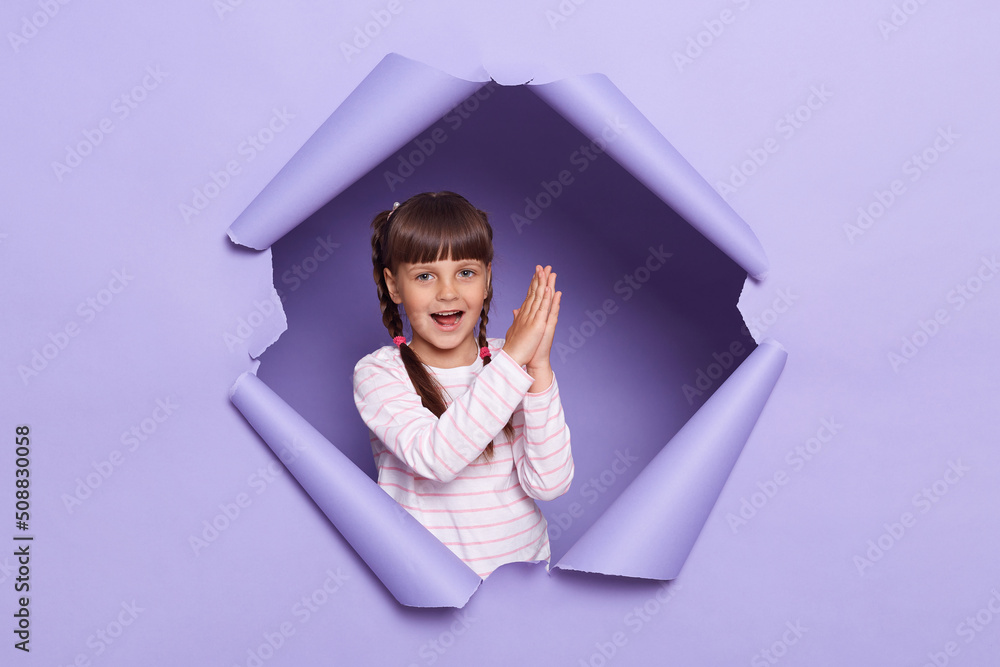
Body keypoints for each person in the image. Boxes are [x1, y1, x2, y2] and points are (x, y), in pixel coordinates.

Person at [353, 191, 574, 578]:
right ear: (393, 285)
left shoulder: (512, 363)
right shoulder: (378, 374)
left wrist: (537, 364)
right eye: (425, 276)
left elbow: (549, 484)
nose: (448, 292)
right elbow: (438, 459)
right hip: (427, 581)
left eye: (466, 272)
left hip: (523, 581)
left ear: (487, 278)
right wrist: (514, 361)